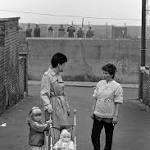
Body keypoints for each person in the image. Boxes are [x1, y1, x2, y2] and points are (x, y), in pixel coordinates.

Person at [91, 63, 123, 150]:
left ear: (111, 74)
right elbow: (95, 97)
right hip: (98, 115)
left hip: (109, 117)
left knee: (108, 138)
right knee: (94, 136)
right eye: (103, 73)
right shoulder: (100, 83)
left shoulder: (117, 86)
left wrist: (115, 116)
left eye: (106, 73)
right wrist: (92, 110)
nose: (104, 75)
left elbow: (118, 102)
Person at [40, 52, 70, 142]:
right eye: (64, 64)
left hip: (61, 104)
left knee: (64, 129)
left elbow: (62, 93)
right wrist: (48, 106)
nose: (65, 66)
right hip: (53, 106)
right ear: (59, 64)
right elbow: (44, 93)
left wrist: (67, 106)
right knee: (53, 130)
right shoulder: (47, 76)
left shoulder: (58, 75)